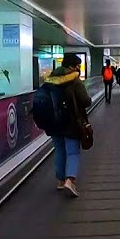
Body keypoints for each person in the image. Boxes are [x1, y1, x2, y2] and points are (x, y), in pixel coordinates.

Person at [45, 53, 92, 197]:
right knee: (72, 151)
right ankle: (70, 180)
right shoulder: (75, 81)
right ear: (72, 66)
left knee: (59, 150)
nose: (79, 68)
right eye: (78, 65)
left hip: (54, 122)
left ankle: (60, 181)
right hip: (71, 122)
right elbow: (85, 101)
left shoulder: (50, 80)